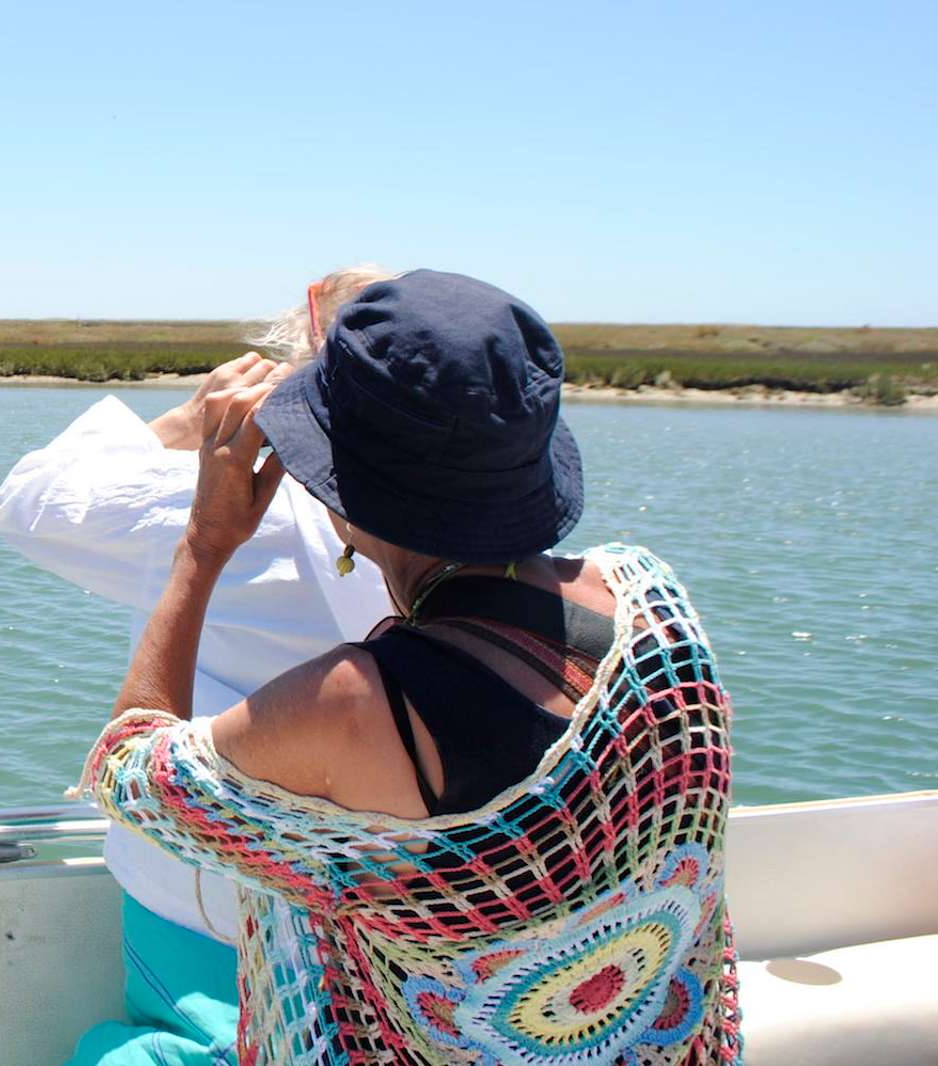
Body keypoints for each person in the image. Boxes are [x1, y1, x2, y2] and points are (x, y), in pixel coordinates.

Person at [73, 270, 740, 1064]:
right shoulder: (651, 598)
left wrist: (203, 545)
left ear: (342, 497)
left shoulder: (356, 704)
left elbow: (128, 775)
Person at [0, 268, 397, 1061]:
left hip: (208, 915)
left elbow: (27, 503)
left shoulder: (238, 510)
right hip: (403, 926)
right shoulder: (539, 561)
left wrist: (186, 426)